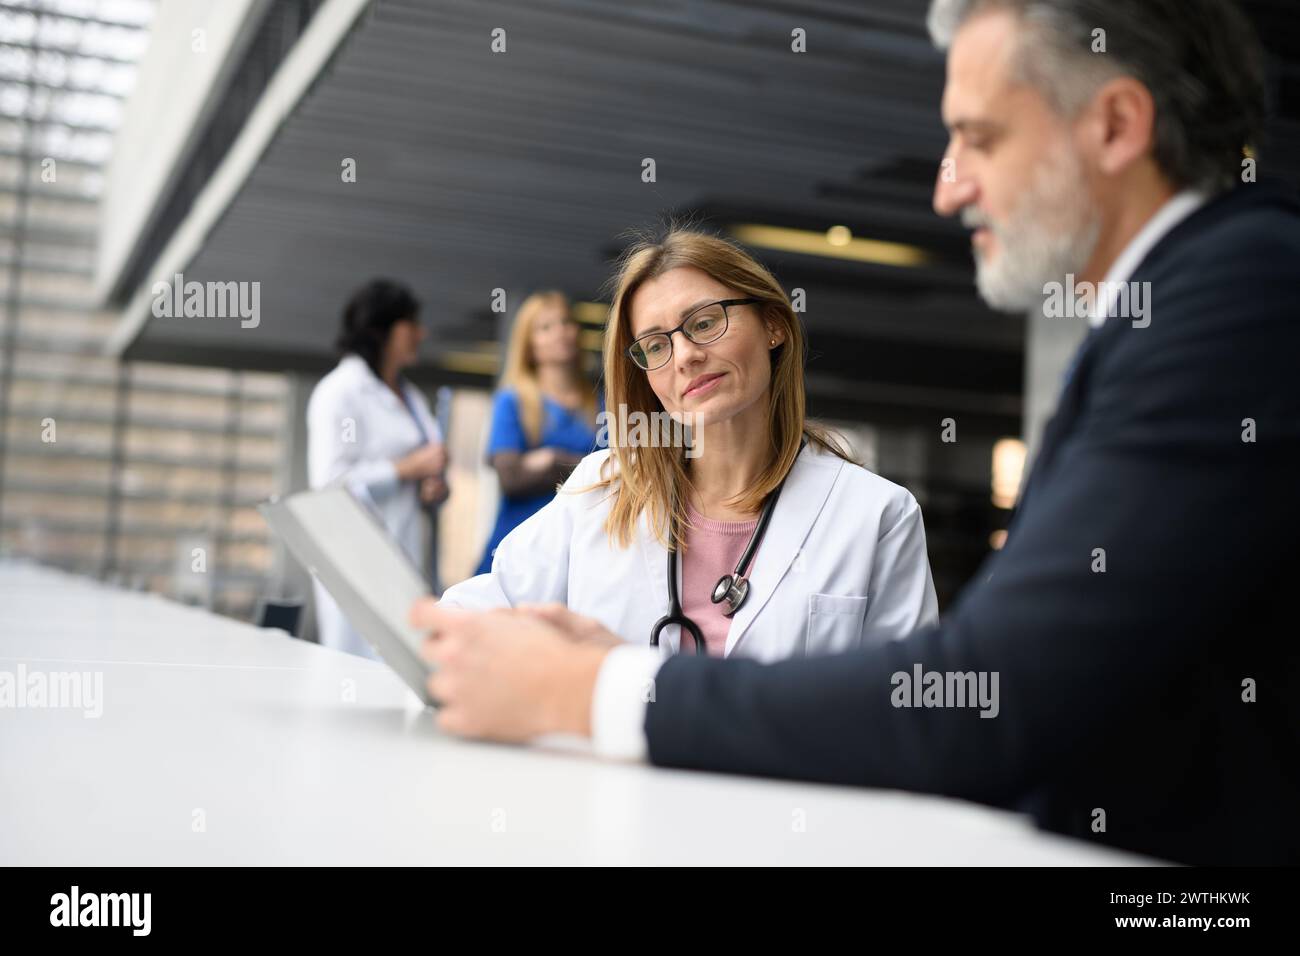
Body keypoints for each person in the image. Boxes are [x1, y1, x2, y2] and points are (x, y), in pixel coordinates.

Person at [410, 0, 1300, 865]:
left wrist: (596, 689)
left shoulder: (1237, 300)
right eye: (653, 346)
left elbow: (992, 696)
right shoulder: (1172, 312)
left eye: (979, 137)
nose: (947, 188)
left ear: (1114, 125)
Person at [433, 230, 938, 659]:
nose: (685, 357)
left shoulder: (877, 516)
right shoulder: (600, 490)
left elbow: (907, 712)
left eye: (704, 322)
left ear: (774, 326)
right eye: (655, 345)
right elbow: (464, 623)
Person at [307, 278, 448, 658]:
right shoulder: (339, 392)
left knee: (403, 667)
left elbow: (423, 471)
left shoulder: (412, 396)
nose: (422, 333)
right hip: (357, 559)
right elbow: (329, 485)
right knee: (354, 672)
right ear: (381, 330)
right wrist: (405, 468)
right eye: (412, 325)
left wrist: (430, 486)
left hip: (406, 556)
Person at [474, 292, 603, 574]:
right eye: (546, 327)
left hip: (579, 549)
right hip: (519, 547)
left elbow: (615, 476)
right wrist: (584, 468)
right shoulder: (513, 401)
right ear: (529, 345)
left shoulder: (601, 402)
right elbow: (511, 477)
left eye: (566, 322)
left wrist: (548, 461)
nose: (561, 332)